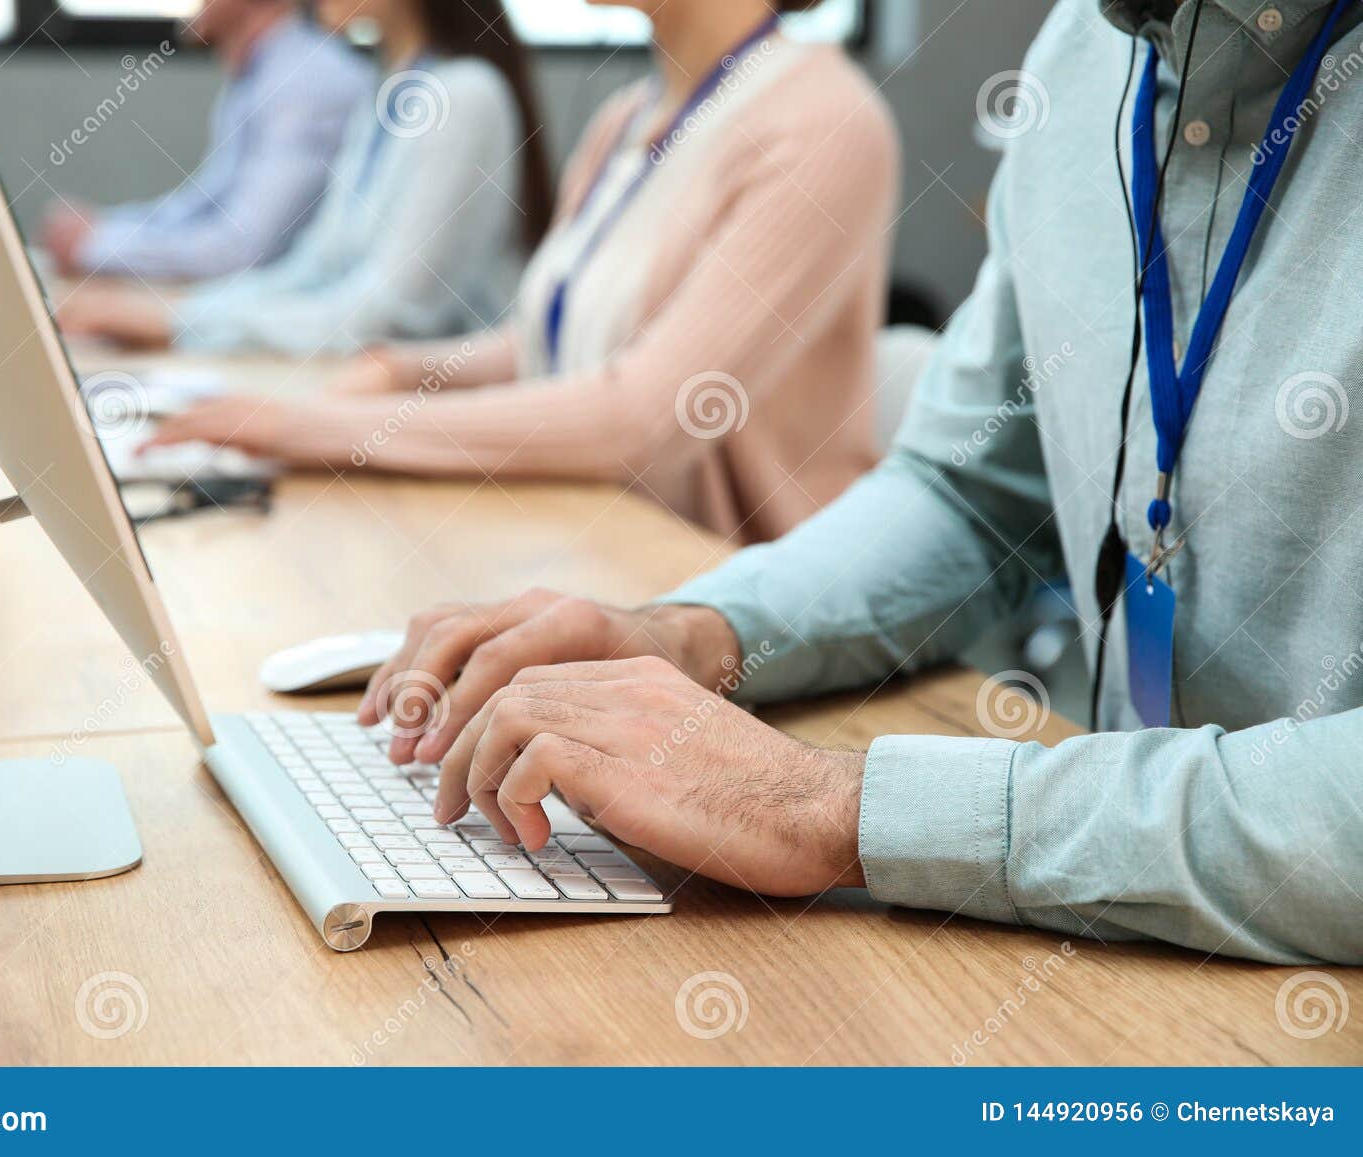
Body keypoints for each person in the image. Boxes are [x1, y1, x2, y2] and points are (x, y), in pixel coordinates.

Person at [355, 0, 1363, 966]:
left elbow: (639, 407)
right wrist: (696, 629)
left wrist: (842, 805)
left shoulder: (816, 109)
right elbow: (971, 491)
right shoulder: (1084, 53)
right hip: (1114, 930)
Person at [141, 0, 898, 542]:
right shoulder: (626, 119)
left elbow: (640, 420)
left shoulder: (822, 122)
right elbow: (549, 342)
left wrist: (308, 426)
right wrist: (401, 370)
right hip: (597, 541)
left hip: (731, 592)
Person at [57, 0, 550, 358]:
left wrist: (180, 322)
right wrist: (180, 315)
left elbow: (391, 318)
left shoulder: (465, 98)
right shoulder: (386, 99)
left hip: (440, 422)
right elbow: (310, 270)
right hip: (371, 395)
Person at [41, 0, 369, 282]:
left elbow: (243, 250)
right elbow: (204, 205)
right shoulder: (261, 71)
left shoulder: (308, 82)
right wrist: (105, 228)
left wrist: (98, 246)